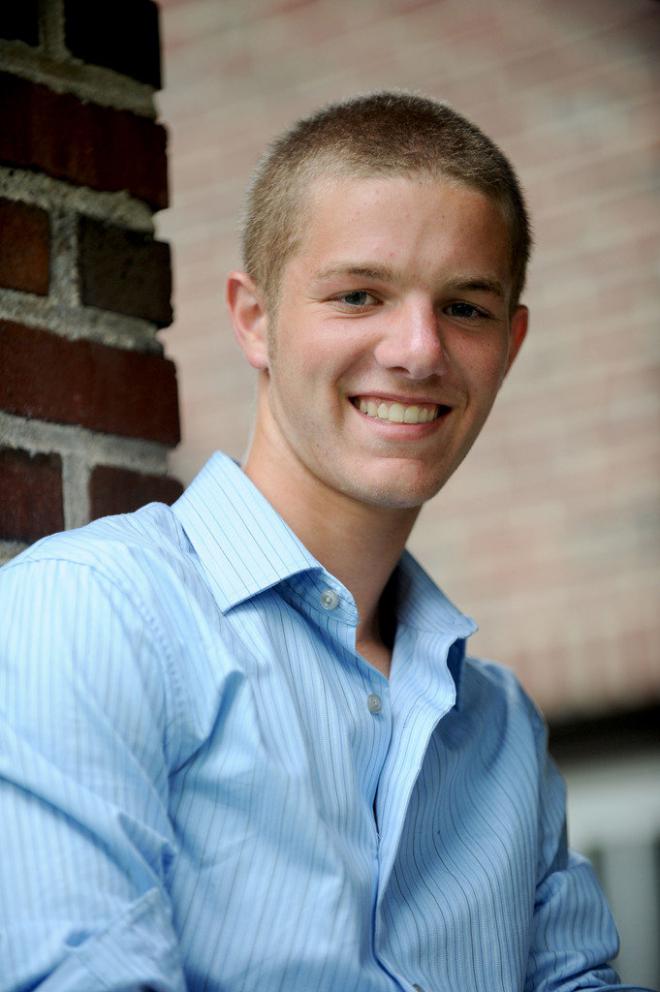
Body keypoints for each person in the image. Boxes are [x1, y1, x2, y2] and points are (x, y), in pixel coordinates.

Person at [0, 92, 646, 992]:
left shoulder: (500, 728)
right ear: (254, 319)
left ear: (512, 341)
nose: (418, 351)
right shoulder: (91, 610)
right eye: (358, 295)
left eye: (465, 307)